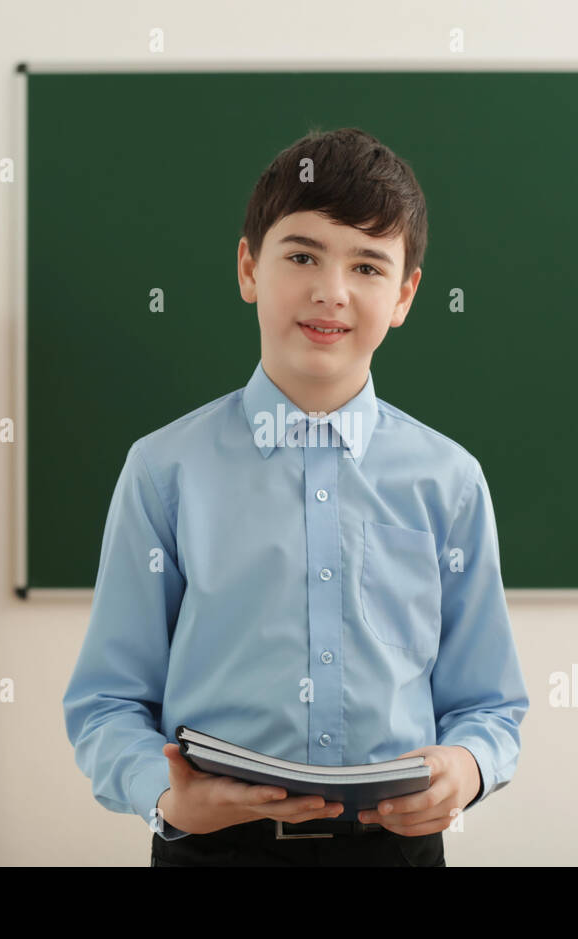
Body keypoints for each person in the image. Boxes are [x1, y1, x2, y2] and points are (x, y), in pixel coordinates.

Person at [62, 127, 529, 866]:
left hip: (396, 853)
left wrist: (467, 769)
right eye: (302, 255)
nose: (330, 292)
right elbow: (107, 702)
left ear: (404, 294)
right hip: (210, 850)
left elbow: (490, 705)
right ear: (250, 267)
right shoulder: (163, 470)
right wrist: (166, 795)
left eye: (368, 266)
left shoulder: (449, 481)